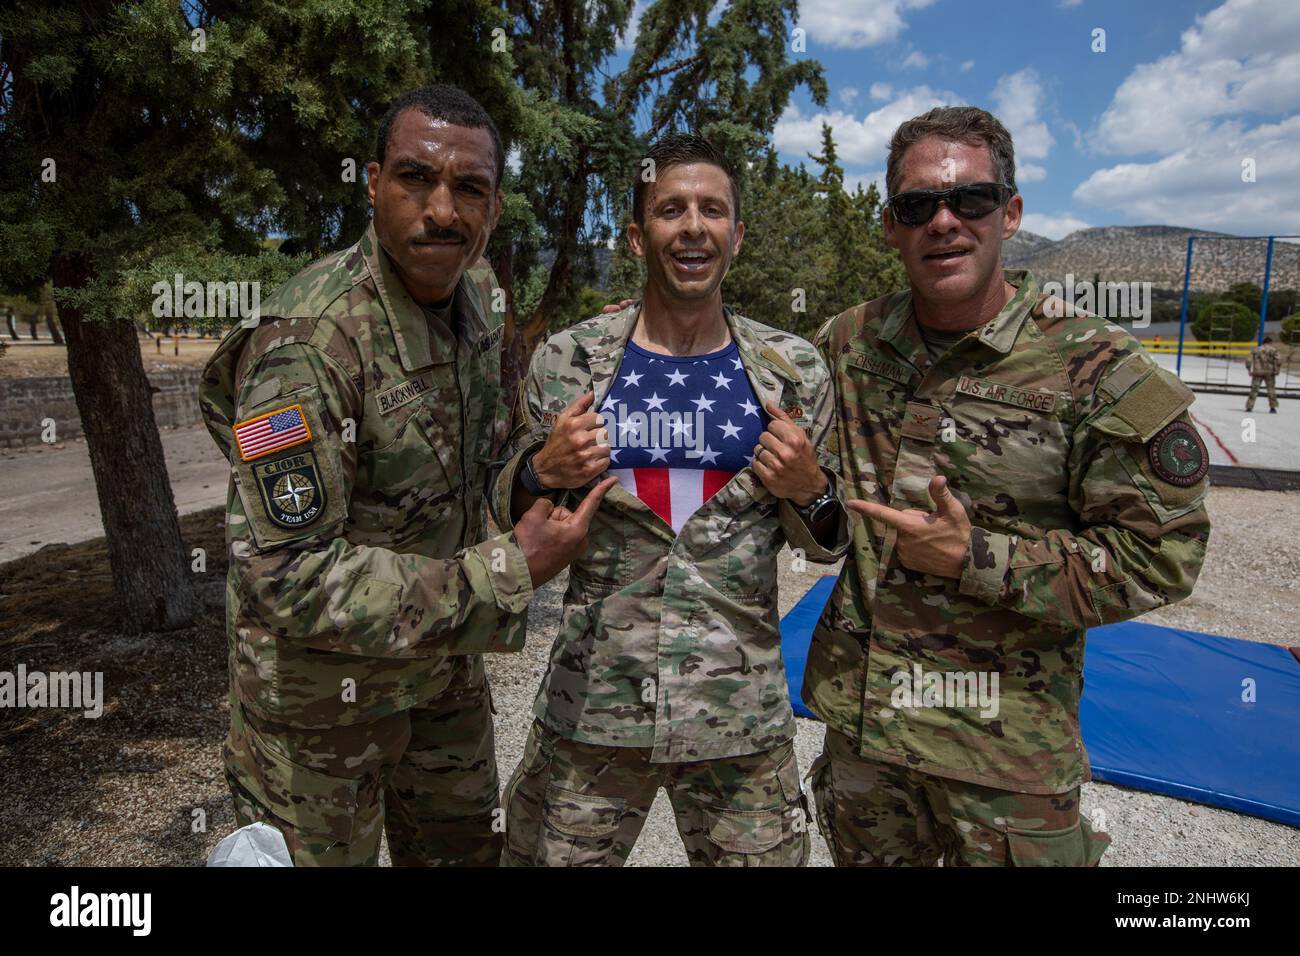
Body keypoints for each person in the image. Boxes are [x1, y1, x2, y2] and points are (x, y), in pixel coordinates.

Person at [198, 83, 611, 866]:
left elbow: (474, 466)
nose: (444, 211)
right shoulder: (307, 344)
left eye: (471, 188)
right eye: (417, 178)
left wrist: (533, 472)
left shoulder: (480, 295)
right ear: (373, 182)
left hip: (440, 673)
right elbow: (285, 575)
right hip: (319, 711)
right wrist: (507, 571)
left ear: (493, 204)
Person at [804, 106, 1212, 866]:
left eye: (973, 201)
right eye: (917, 206)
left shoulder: (1098, 368)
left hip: (1003, 758)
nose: (945, 222)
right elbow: (806, 482)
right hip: (866, 737)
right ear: (891, 226)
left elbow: (1162, 556)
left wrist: (974, 558)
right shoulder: (849, 341)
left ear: (1012, 213)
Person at [490, 134, 850, 866]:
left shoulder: (794, 371)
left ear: (737, 236)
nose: (693, 226)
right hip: (591, 710)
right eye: (670, 210)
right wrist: (540, 469)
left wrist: (811, 490)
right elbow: (508, 507)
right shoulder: (569, 359)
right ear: (635, 236)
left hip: (740, 723)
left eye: (713, 210)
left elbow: (828, 542)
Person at [1246, 335, 1281, 413]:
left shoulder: (1256, 349)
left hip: (1257, 372)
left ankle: (1249, 407)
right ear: (1270, 342)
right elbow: (1278, 361)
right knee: (1271, 390)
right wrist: (1277, 370)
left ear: (1263, 342)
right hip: (1270, 372)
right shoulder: (1274, 350)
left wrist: (1249, 369)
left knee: (1254, 389)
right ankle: (1273, 408)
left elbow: (1248, 360)